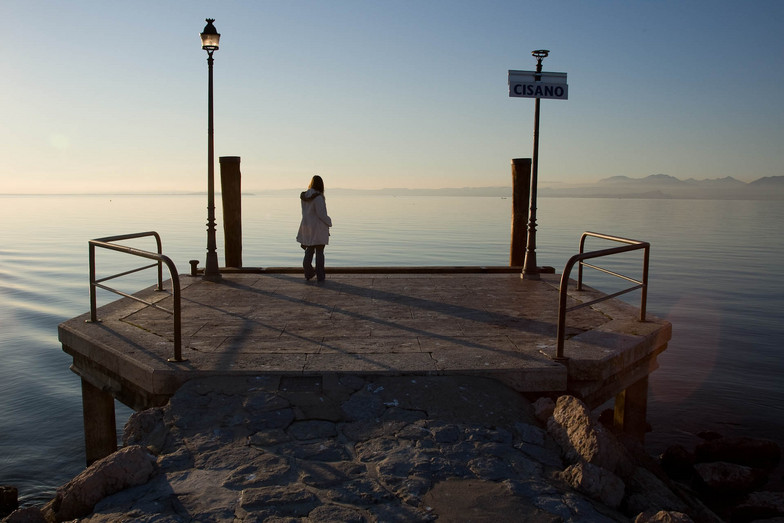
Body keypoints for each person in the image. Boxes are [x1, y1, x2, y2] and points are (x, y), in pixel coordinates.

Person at [296, 175, 332, 282]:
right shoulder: (318, 197)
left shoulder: (304, 196)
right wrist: (329, 222)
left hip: (307, 227)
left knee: (309, 251)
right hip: (318, 228)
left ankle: (308, 273)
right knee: (319, 253)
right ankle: (320, 276)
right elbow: (321, 214)